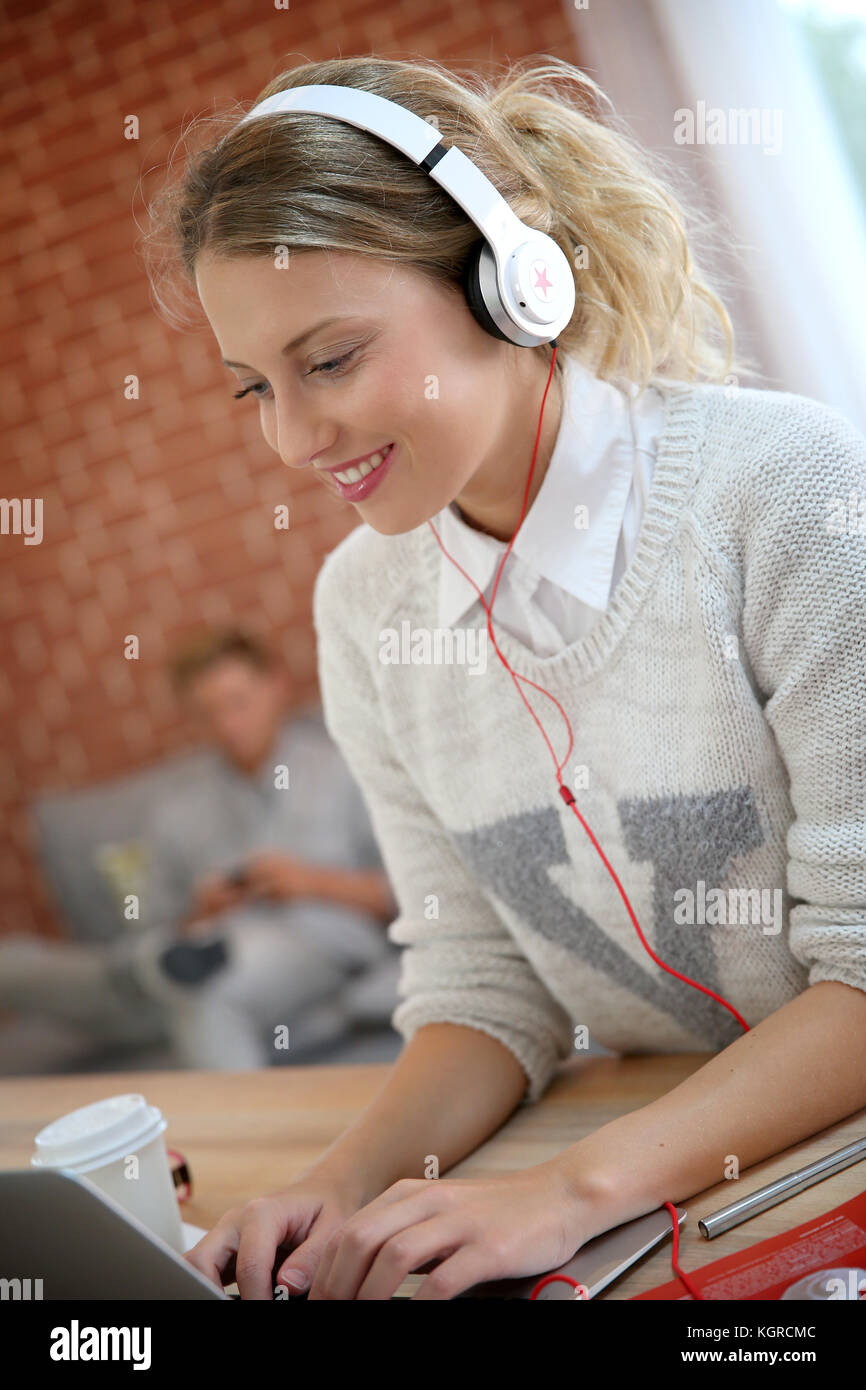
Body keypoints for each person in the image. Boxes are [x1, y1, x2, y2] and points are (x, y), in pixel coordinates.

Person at [144, 54, 866, 1299]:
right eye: (256, 386)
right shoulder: (363, 608)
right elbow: (483, 984)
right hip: (657, 1188)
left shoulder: (788, 491)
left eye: (330, 359)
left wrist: (569, 1191)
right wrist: (344, 1180)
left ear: (509, 285)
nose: (292, 440)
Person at [0, 627, 399, 1069]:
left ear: (277, 688)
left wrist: (310, 882)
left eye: (237, 703)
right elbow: (151, 920)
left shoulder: (342, 771)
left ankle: (167, 975)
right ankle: (156, 970)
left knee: (206, 990)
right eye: (209, 714)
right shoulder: (180, 809)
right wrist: (201, 911)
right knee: (14, 964)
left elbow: (406, 894)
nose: (228, 726)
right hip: (190, 948)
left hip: (310, 944)